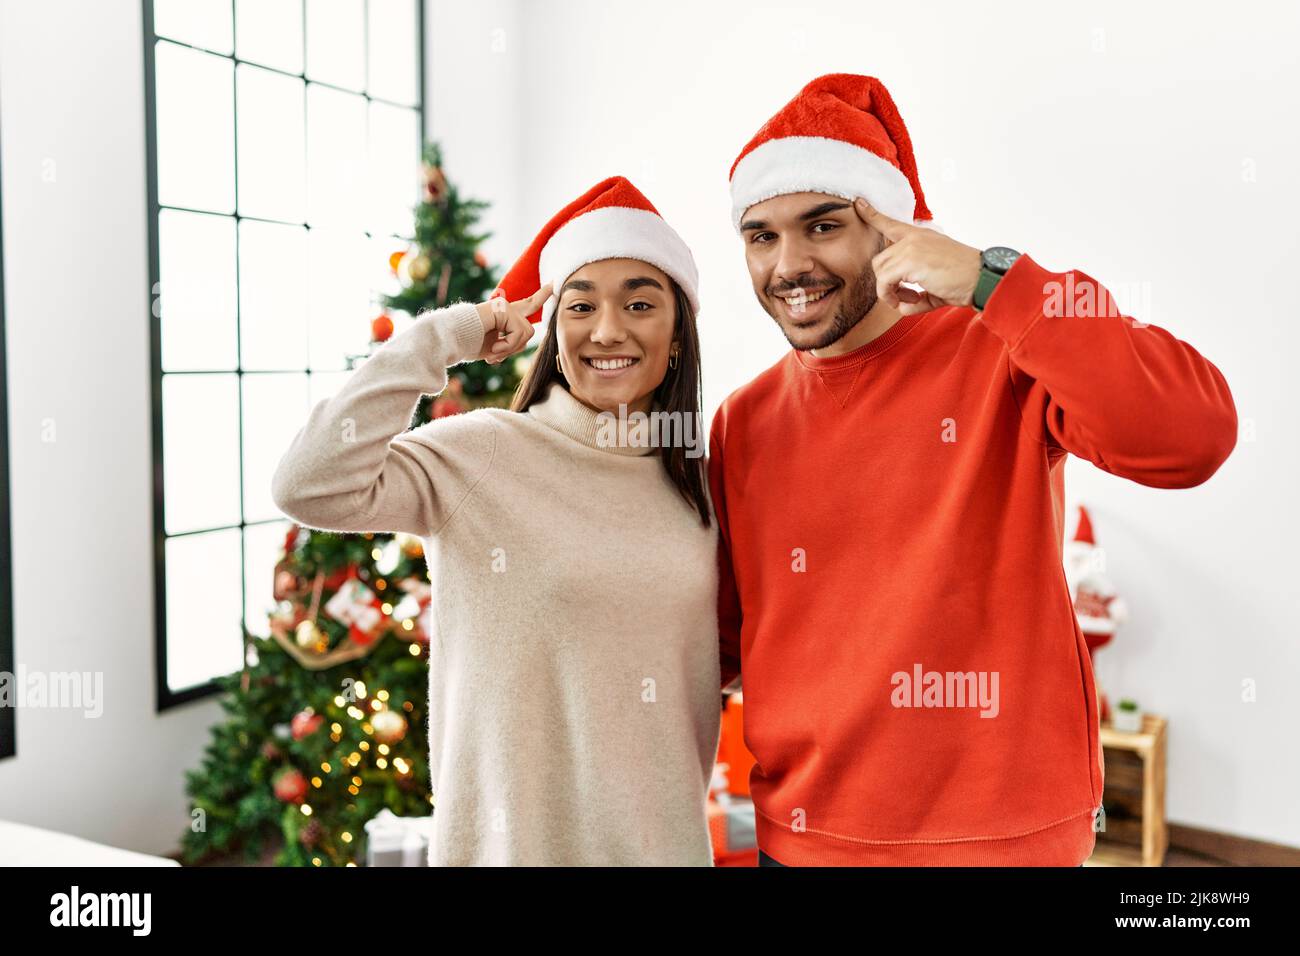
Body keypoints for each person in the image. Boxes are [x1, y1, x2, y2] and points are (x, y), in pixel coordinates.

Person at [708, 74, 1237, 866]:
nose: (789, 265)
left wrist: (996, 282)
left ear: (892, 230)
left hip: (1000, 847)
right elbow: (719, 639)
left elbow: (1194, 434)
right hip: (803, 839)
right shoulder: (741, 421)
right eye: (761, 235)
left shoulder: (1002, 349)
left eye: (822, 225)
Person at [272, 176, 720, 865]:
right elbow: (309, 482)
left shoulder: (699, 483)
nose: (608, 330)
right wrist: (448, 334)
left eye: (640, 303)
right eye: (581, 305)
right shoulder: (485, 453)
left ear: (679, 336)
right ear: (555, 330)